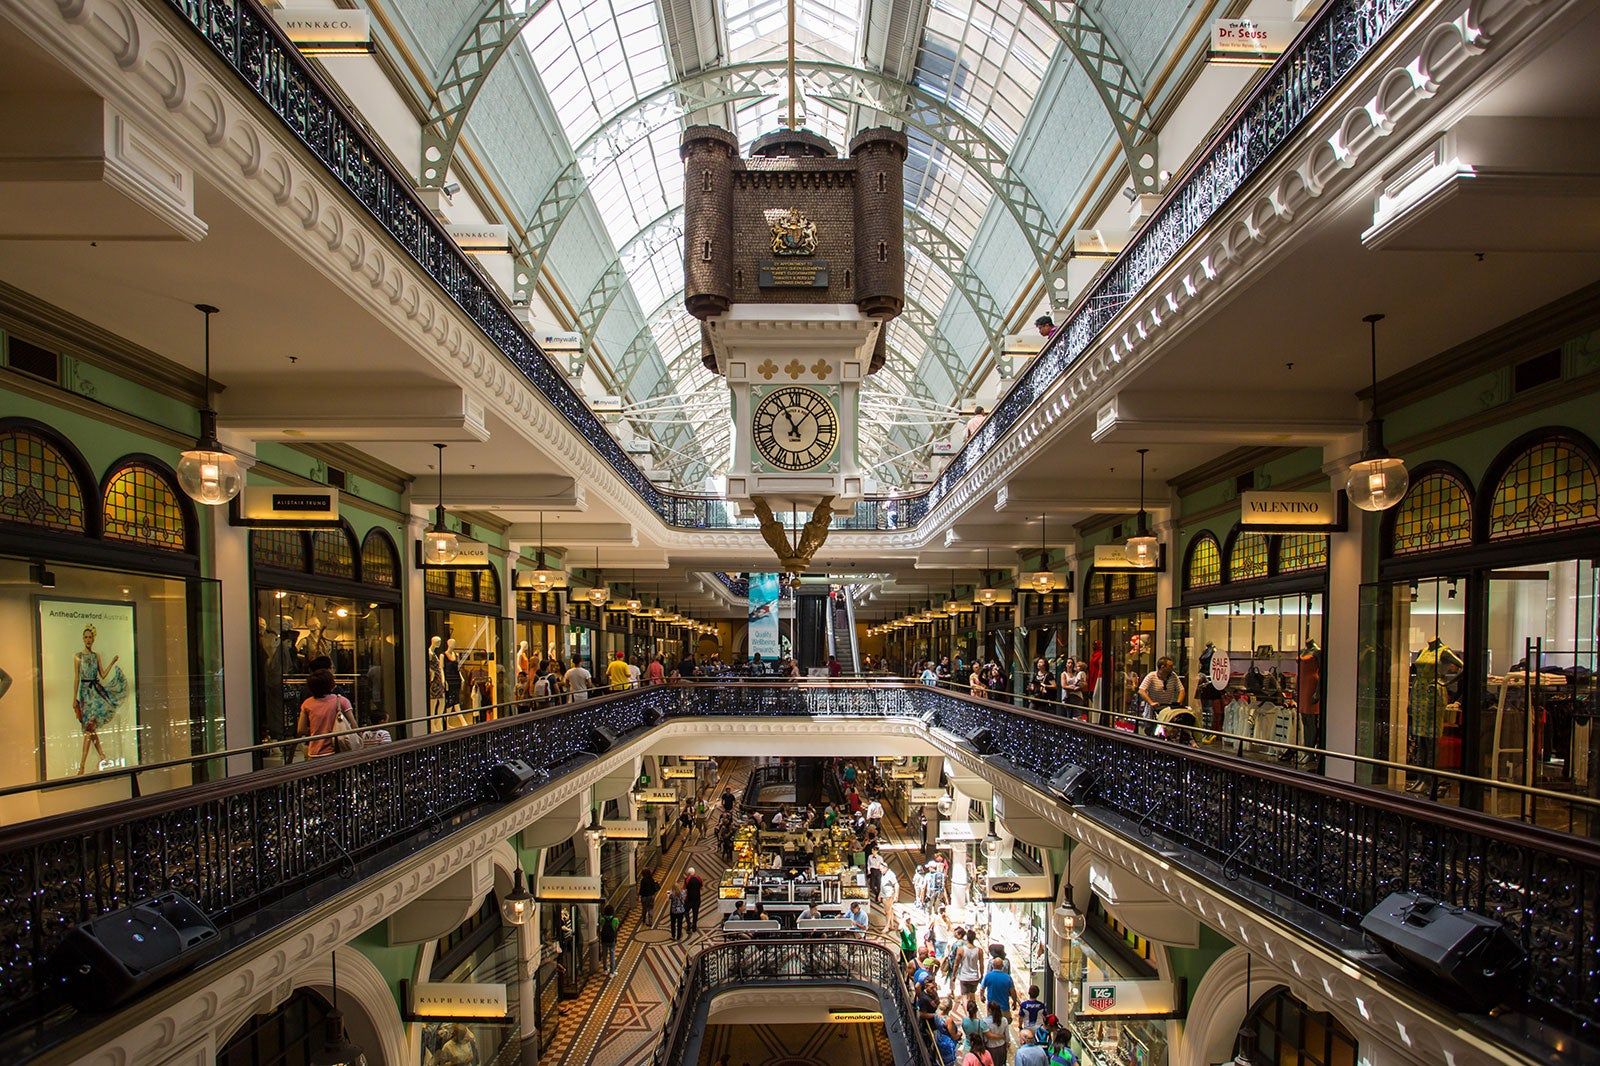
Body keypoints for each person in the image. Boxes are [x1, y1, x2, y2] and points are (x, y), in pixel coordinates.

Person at [297, 668, 352, 759]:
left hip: (314, 751)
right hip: (337, 750)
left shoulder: (307, 704)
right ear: (331, 684)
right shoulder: (341, 701)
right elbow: (354, 725)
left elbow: (300, 729)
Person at [1137, 656, 1186, 727]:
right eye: (1170, 666)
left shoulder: (1173, 676)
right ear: (1163, 667)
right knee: (1152, 730)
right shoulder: (1151, 676)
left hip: (1167, 709)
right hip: (1153, 710)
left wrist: (1178, 703)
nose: (1173, 668)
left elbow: (1182, 690)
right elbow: (1141, 690)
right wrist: (1151, 703)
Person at [955, 930, 986, 1003]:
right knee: (972, 996)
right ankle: (973, 1012)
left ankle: (966, 1012)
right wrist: (981, 975)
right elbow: (981, 965)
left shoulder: (961, 949)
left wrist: (954, 974)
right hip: (974, 977)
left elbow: (956, 964)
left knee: (964, 996)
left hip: (964, 977)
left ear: (967, 938)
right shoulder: (979, 950)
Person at [985, 1001, 1013, 1066]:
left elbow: (985, 1039)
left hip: (990, 1048)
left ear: (989, 1010)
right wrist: (1007, 1043)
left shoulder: (985, 1021)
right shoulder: (1004, 1020)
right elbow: (1007, 1037)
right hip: (1002, 1047)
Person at [598, 903, 620, 973]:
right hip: (611, 939)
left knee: (604, 954)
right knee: (612, 954)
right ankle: (612, 971)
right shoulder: (615, 920)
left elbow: (600, 927)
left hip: (604, 939)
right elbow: (616, 929)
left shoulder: (602, 919)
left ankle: (605, 969)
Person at [684, 868, 704, 932]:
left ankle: (688, 925)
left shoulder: (687, 879)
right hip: (697, 899)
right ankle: (694, 927)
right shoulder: (699, 878)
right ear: (694, 872)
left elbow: (685, 888)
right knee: (695, 913)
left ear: (689, 873)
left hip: (689, 899)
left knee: (686, 911)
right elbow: (701, 887)